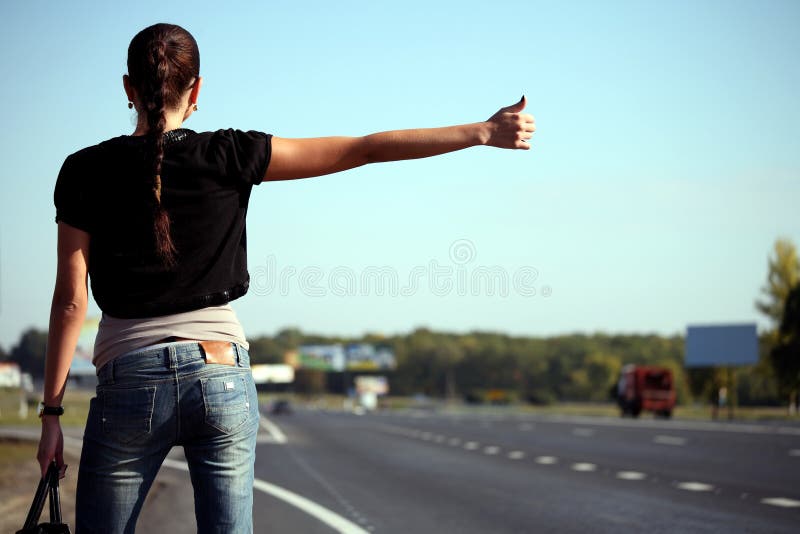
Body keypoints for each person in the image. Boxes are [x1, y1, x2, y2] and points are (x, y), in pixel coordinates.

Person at [36, 22, 535, 534]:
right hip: (221, 373)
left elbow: (71, 302)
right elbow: (363, 148)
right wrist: (482, 132)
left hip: (129, 381)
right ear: (198, 89)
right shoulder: (232, 153)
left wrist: (51, 414)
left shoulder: (82, 171)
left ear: (128, 89)